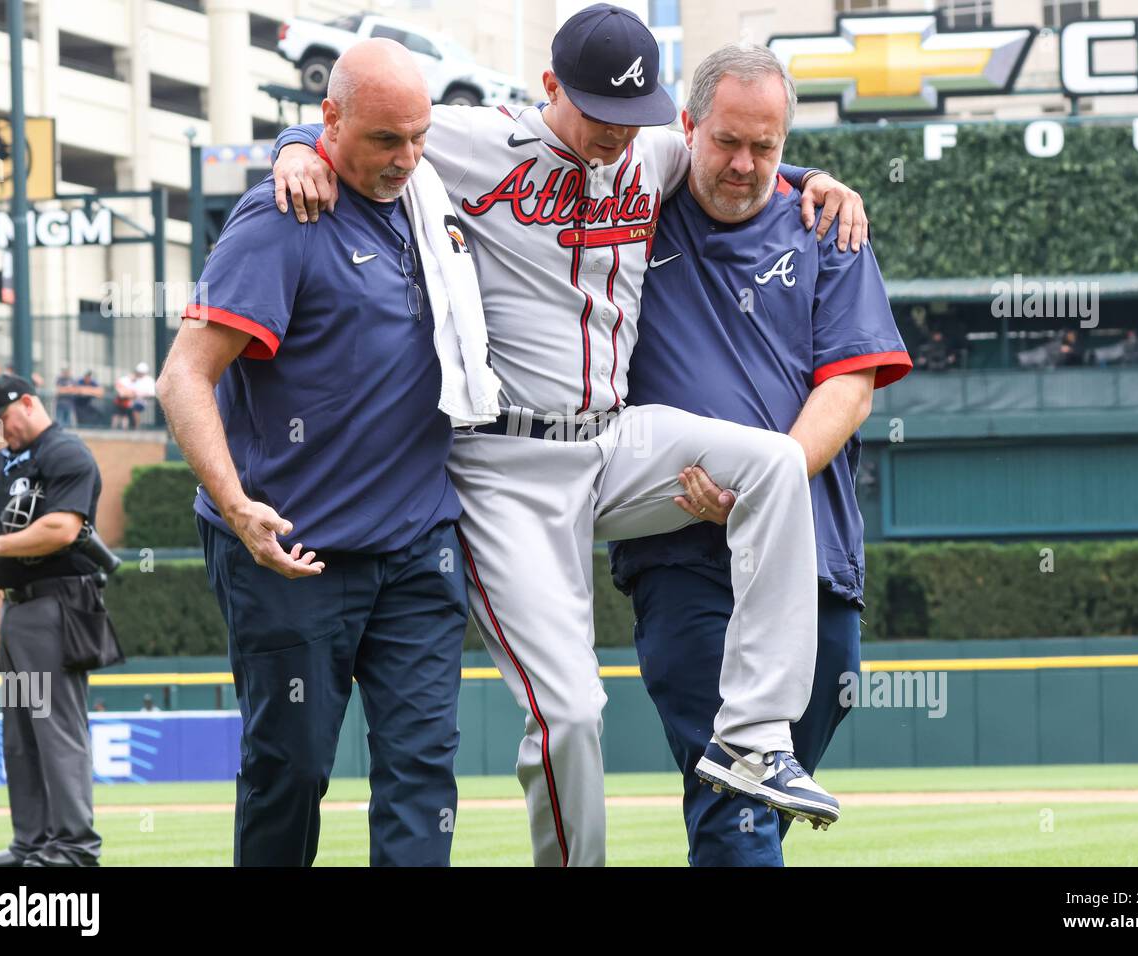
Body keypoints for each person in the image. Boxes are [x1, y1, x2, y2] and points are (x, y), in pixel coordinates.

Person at [272, 4, 872, 865]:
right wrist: (297, 143)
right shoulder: (474, 140)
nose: (619, 135)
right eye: (599, 113)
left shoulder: (654, 144)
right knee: (570, 717)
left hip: (616, 440)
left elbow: (734, 153)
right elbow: (367, 120)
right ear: (550, 87)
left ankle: (750, 736)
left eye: (637, 115)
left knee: (778, 462)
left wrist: (820, 177)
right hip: (505, 462)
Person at [156, 41, 478, 868]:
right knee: (289, 773)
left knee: (423, 776)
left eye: (419, 136)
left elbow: (599, 142)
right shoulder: (282, 217)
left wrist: (804, 179)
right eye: (384, 140)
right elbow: (183, 378)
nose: (406, 159)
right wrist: (235, 504)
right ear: (331, 121)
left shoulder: (431, 189)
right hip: (289, 549)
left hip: (416, 548)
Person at [608, 44, 911, 866]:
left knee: (753, 807)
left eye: (766, 147)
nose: (743, 165)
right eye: (726, 142)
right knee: (735, 804)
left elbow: (850, 387)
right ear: (686, 127)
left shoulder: (828, 223)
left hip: (815, 559)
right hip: (683, 556)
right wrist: (298, 146)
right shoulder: (633, 212)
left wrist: (762, 483)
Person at [0, 374, 110, 867]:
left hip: (56, 605)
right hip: (16, 609)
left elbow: (64, 528)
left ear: (27, 403)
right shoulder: (2, 462)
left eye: (1, 420)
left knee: (55, 730)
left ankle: (74, 847)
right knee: (20, 735)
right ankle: (33, 843)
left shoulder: (66, 452)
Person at [112, 362, 155, 429]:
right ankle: (118, 428)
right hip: (127, 401)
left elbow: (151, 393)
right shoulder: (131, 377)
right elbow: (119, 384)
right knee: (120, 410)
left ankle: (136, 427)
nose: (139, 374)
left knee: (135, 409)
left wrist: (136, 394)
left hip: (141, 401)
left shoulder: (149, 380)